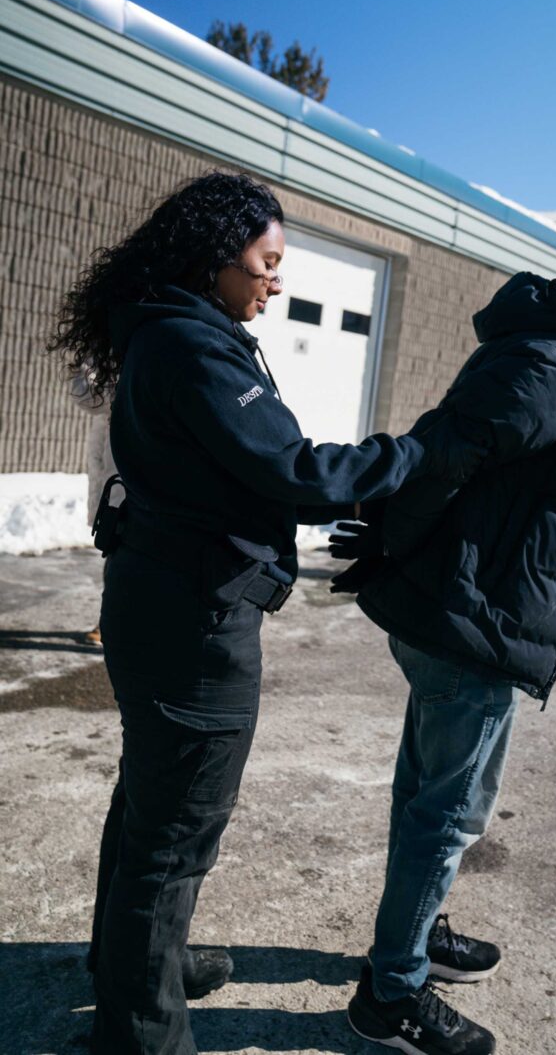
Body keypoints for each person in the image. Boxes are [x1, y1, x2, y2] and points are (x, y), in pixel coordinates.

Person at [48, 172, 483, 1055]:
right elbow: (296, 472)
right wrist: (410, 454)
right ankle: (141, 1032)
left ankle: (134, 959)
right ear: (217, 260)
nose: (276, 281)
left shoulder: (175, 331)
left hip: (163, 604)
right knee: (174, 836)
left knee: (150, 801)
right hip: (193, 625)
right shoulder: (191, 347)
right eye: (266, 262)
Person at [329, 229, 556, 1055]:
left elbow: (466, 455)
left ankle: (413, 935)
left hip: (463, 611)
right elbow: (449, 452)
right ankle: (394, 991)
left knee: (432, 800)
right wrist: (390, 536)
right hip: (473, 620)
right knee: (446, 811)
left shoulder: (551, 348)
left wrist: (395, 541)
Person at [71, 368, 118, 646]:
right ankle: (109, 620)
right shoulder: (111, 348)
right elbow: (89, 397)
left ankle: (112, 621)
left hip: (134, 482)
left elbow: (93, 397)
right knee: (113, 552)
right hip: (110, 480)